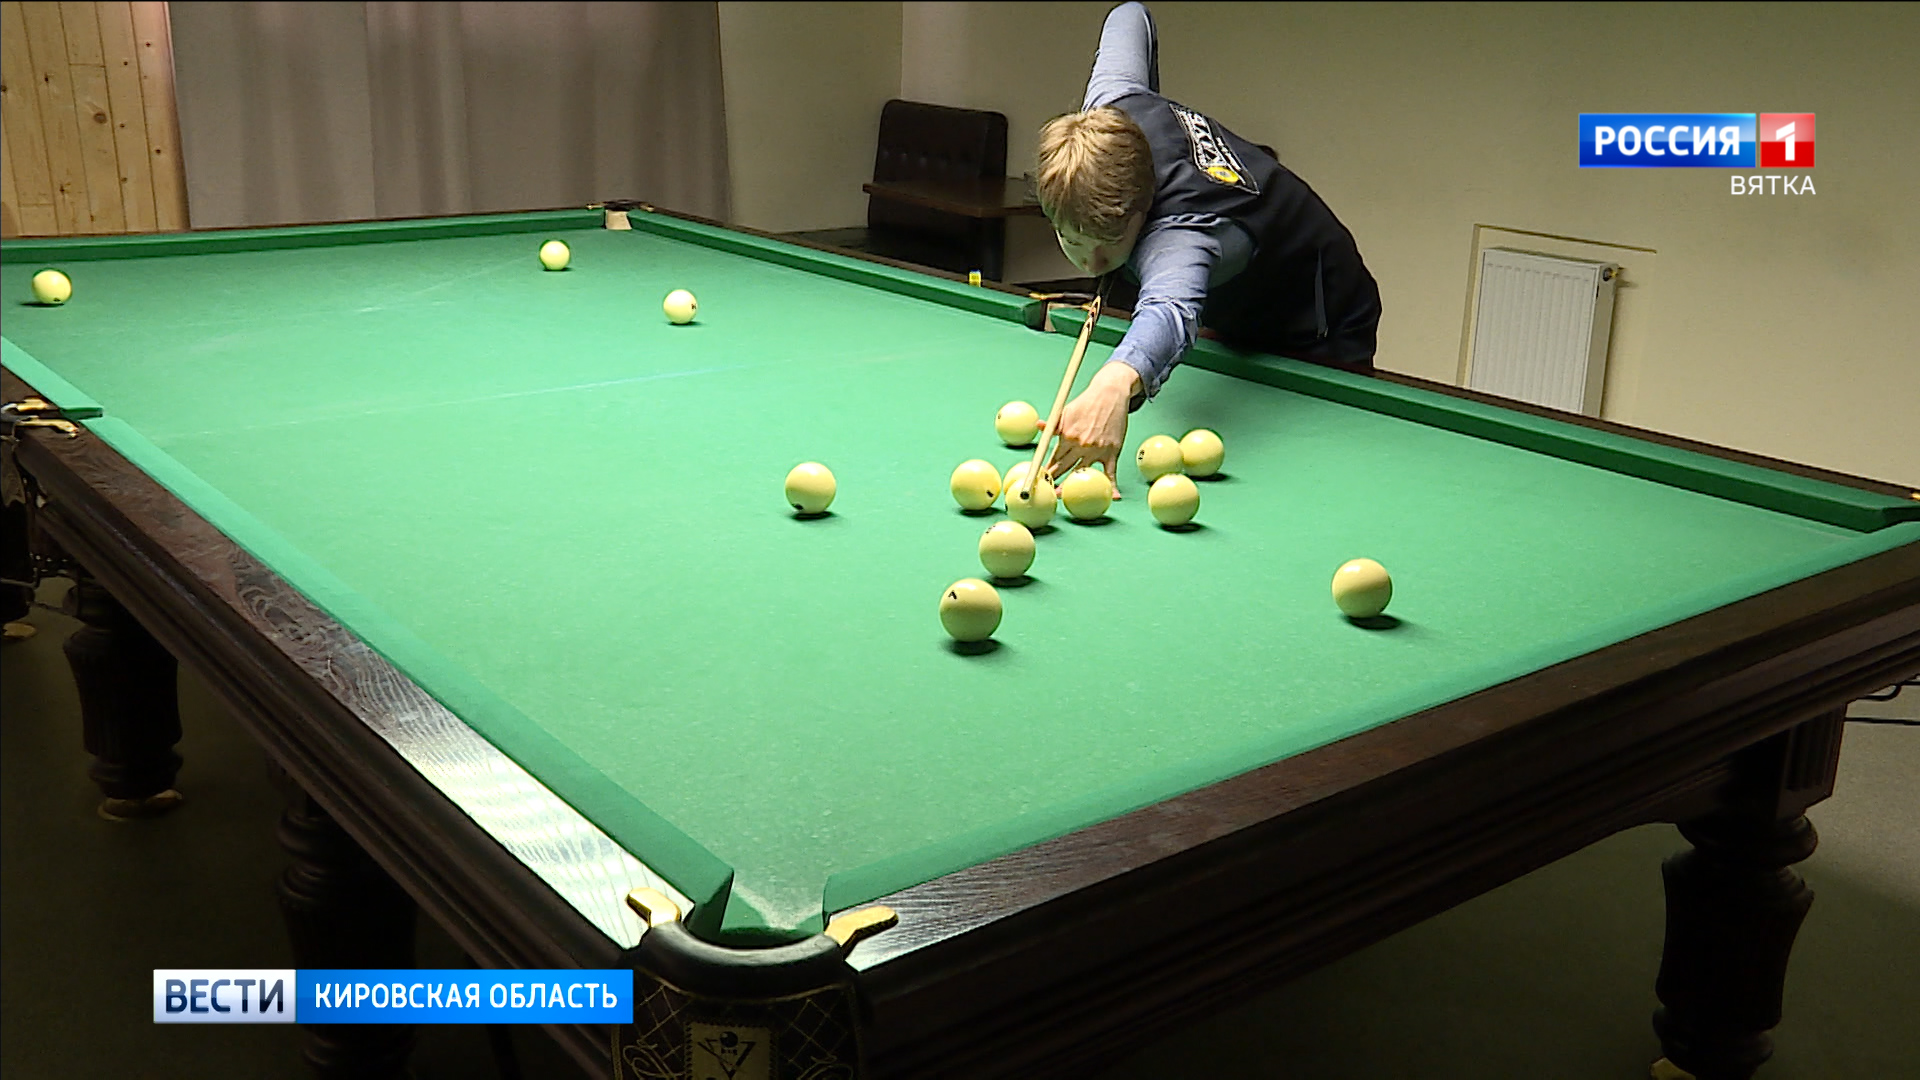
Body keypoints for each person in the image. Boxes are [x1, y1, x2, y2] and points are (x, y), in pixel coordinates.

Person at [1039, 1, 1382, 488]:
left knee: (1322, 469)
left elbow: (1170, 307)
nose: (1092, 263)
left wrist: (1113, 383)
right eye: (1073, 240)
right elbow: (1130, 14)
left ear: (1143, 211)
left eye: (1108, 244)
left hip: (1320, 308)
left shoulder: (1181, 235)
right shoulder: (1110, 104)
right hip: (1239, 291)